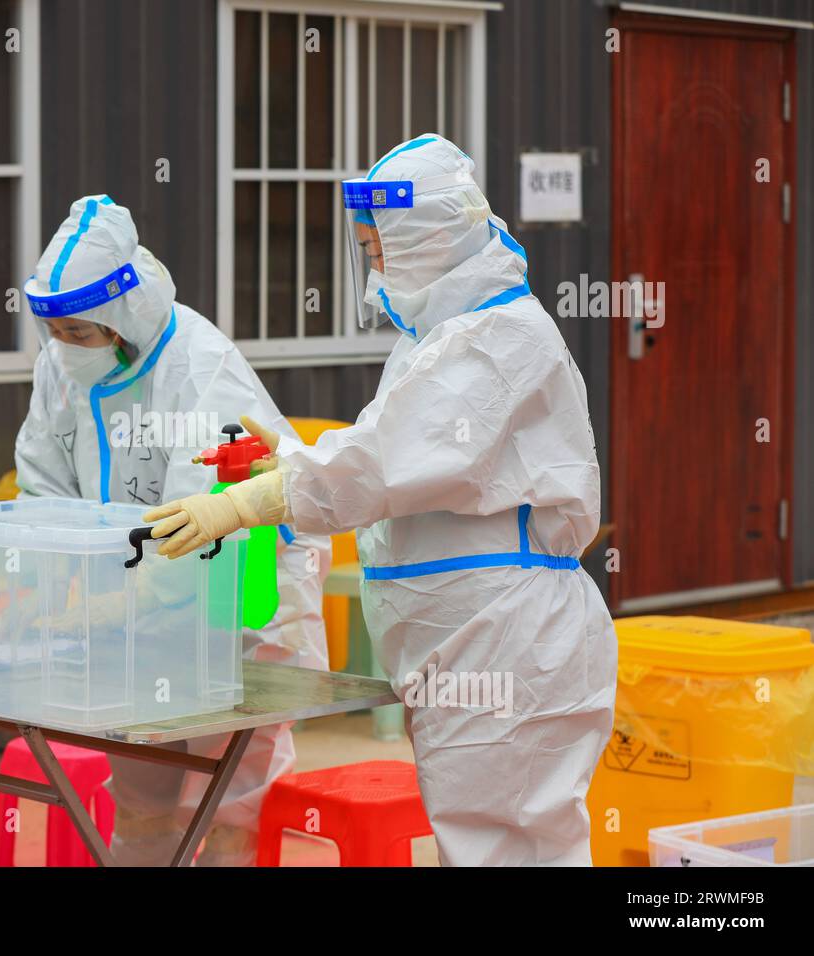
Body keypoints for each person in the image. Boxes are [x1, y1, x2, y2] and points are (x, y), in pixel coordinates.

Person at [144, 135, 618, 866]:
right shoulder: (443, 336)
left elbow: (384, 462)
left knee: (510, 851)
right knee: (490, 846)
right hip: (470, 643)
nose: (374, 268)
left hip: (506, 645)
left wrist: (249, 502)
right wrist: (293, 461)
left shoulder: (500, 339)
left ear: (427, 240)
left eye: (379, 249)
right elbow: (396, 451)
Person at [16, 196, 329, 866]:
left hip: (243, 596)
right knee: (142, 782)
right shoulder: (59, 368)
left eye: (79, 332)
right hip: (135, 610)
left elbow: (209, 518)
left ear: (121, 319)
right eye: (56, 332)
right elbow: (43, 482)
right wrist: (47, 579)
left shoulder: (198, 365)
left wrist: (110, 604)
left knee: (234, 792)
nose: (64, 348)